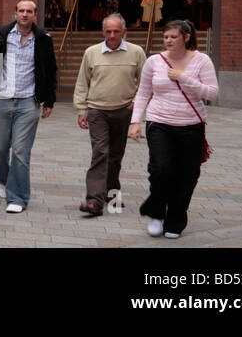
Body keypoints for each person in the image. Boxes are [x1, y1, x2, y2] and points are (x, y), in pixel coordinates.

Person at [129, 19, 218, 239]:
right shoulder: (154, 61)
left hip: (191, 127)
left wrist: (185, 78)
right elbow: (143, 93)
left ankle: (176, 219)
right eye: (166, 37)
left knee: (187, 176)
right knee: (160, 170)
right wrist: (136, 121)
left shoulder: (202, 60)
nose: (168, 41)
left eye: (173, 37)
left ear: (186, 38)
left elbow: (212, 93)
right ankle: (157, 214)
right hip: (159, 123)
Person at [0, 0, 57, 213]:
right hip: (2, 100)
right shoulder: (1, 34)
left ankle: (17, 198)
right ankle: (4, 179)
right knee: (0, 149)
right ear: (15, 13)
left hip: (29, 103)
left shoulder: (43, 39)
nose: (25, 14)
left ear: (35, 14)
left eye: (29, 11)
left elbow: (51, 70)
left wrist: (49, 100)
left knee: (20, 151)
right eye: (21, 10)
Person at [74, 14, 146, 217]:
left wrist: (137, 104)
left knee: (115, 155)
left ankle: (113, 194)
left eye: (116, 31)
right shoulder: (92, 52)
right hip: (97, 110)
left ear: (124, 32)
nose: (112, 35)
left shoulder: (136, 52)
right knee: (100, 153)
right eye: (108, 31)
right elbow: (82, 82)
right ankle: (94, 200)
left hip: (124, 110)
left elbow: (146, 82)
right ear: (103, 32)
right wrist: (81, 109)